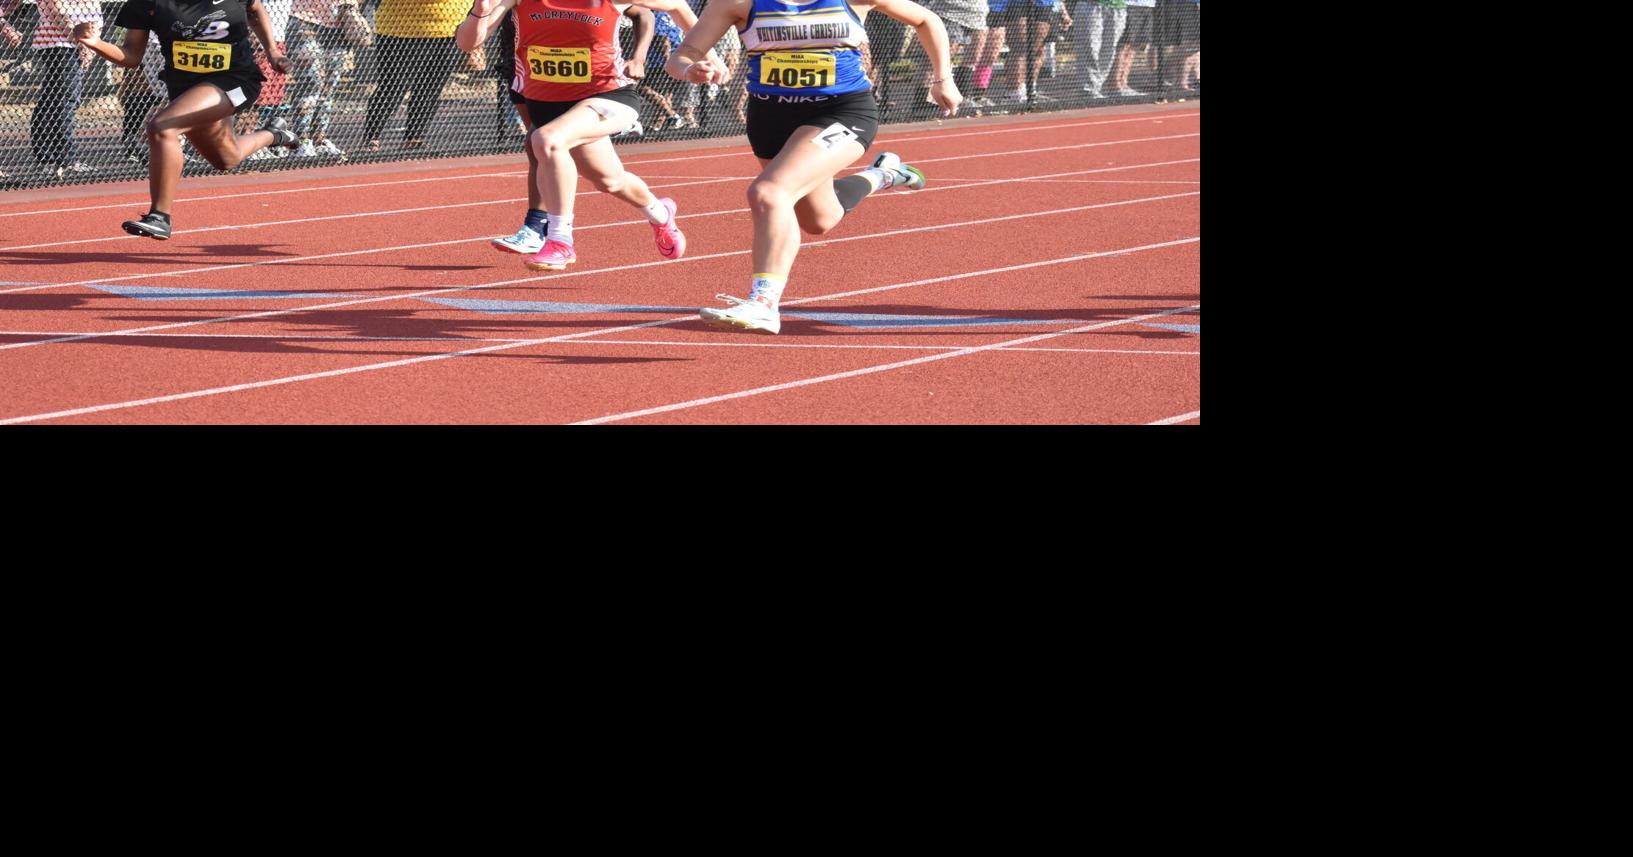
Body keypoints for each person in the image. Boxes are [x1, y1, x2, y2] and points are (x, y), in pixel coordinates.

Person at [666, 0, 959, 335]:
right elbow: (682, 55)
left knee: (769, 192)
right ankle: (884, 175)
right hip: (771, 118)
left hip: (842, 112)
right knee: (819, 219)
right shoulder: (738, 2)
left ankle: (763, 303)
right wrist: (690, 68)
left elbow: (926, 19)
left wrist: (943, 78)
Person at [458, 0, 707, 271]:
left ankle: (559, 241)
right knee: (610, 181)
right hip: (550, 104)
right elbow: (468, 44)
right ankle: (660, 213)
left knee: (546, 140)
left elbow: (677, 6)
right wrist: (480, 12)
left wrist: (706, 57)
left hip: (609, 95)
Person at [74, 0, 299, 239]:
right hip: (185, 89)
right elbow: (131, 57)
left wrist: (273, 52)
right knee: (226, 158)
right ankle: (275, 134)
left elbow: (254, 9)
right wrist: (95, 43)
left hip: (235, 79)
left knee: (162, 127)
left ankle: (160, 216)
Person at [360, 0, 465, 152]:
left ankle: (414, 137)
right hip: (401, 28)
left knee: (430, 88)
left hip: (452, 27)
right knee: (394, 87)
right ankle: (371, 136)